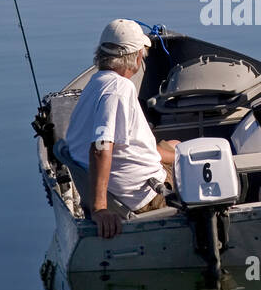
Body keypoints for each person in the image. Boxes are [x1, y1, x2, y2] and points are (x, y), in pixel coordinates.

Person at [63, 19, 179, 238]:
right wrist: (100, 209)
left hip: (122, 178)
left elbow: (124, 146)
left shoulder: (97, 83)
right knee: (217, 164)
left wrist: (179, 155)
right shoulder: (119, 89)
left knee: (177, 147)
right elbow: (100, 147)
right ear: (135, 58)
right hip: (145, 197)